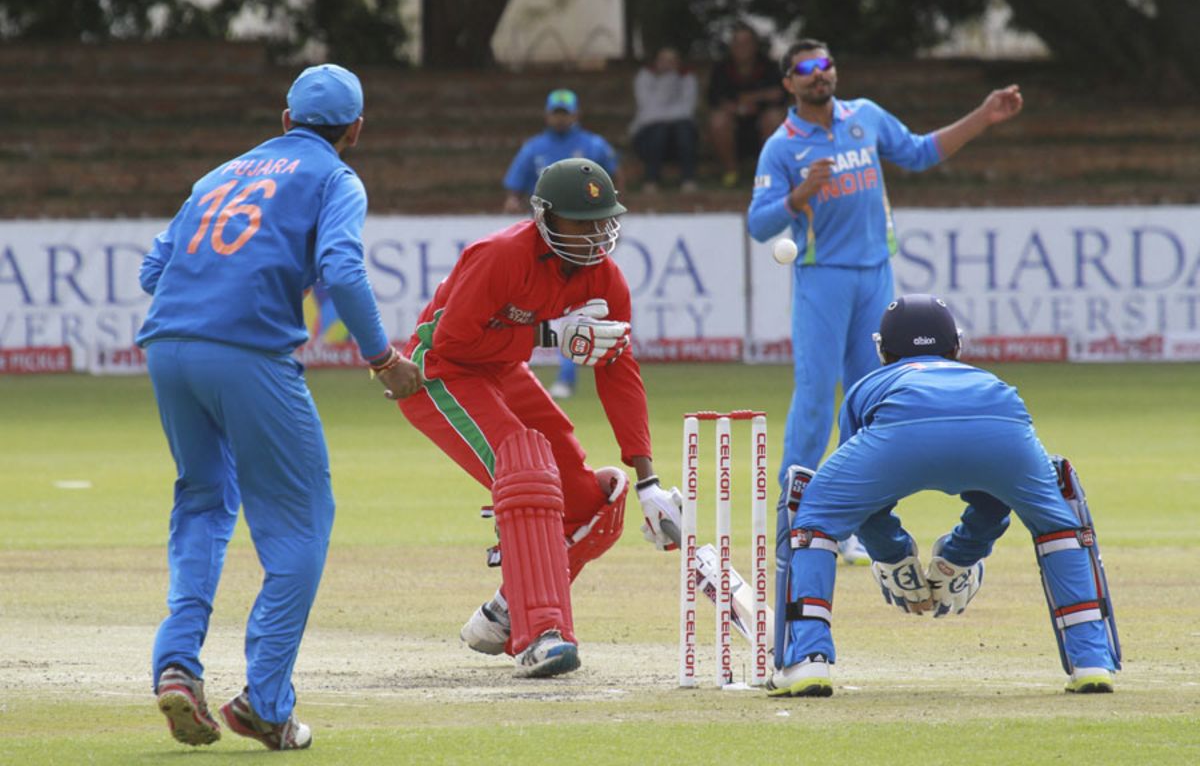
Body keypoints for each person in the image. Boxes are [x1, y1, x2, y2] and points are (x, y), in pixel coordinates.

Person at [137, 64, 422, 750]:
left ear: (286, 117)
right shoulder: (335, 178)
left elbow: (154, 271)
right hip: (246, 356)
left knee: (203, 503)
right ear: (355, 130)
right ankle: (266, 702)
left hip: (168, 348)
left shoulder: (221, 174)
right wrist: (383, 357)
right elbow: (344, 270)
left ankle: (178, 663)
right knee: (301, 523)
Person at [397, 157, 682, 678]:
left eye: (603, 220)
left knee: (598, 502)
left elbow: (617, 368)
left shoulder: (605, 278)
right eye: (581, 221)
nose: (596, 234)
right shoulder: (501, 255)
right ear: (545, 217)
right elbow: (452, 340)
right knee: (525, 465)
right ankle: (540, 635)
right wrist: (549, 335)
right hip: (439, 373)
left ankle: (507, 608)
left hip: (502, 370)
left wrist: (650, 483)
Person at [747, 38, 1024, 562]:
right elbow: (760, 224)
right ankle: (792, 525)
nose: (818, 74)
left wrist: (984, 117)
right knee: (813, 400)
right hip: (821, 277)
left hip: (876, 273)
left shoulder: (864, 117)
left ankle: (855, 525)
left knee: (870, 400)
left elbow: (919, 152)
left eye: (825, 63)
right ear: (788, 83)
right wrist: (798, 196)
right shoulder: (782, 146)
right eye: (805, 68)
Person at [767, 294, 1120, 697]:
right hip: (1002, 428)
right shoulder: (992, 382)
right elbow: (997, 495)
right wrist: (960, 556)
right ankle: (1092, 662)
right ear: (957, 347)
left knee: (813, 514)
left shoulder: (870, 384)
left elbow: (857, 503)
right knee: (1060, 525)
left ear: (882, 350)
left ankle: (806, 661)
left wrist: (893, 556)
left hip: (901, 432)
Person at [502, 88, 622, 399]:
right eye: (555, 112)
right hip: (542, 243)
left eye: (565, 112)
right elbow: (514, 188)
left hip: (583, 241)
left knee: (578, 311)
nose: (560, 117)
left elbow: (616, 178)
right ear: (547, 114)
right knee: (531, 309)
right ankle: (513, 374)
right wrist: (513, 202)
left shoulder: (593, 145)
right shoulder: (533, 149)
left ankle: (567, 377)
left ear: (576, 114)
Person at [707, 22, 786, 188]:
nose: (742, 47)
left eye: (746, 42)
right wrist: (735, 107)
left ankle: (769, 174)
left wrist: (752, 98)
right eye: (737, 42)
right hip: (733, 127)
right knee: (718, 120)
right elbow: (714, 98)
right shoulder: (721, 69)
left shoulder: (769, 66)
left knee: (774, 118)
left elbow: (780, 94)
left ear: (755, 45)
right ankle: (731, 172)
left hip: (763, 126)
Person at [629, 47, 699, 192]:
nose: (667, 65)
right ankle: (651, 180)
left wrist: (671, 78)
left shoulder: (687, 78)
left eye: (672, 61)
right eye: (664, 60)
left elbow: (687, 112)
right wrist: (667, 80)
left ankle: (688, 179)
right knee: (659, 130)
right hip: (648, 137)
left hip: (678, 137)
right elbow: (647, 112)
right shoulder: (644, 77)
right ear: (656, 62)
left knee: (683, 129)